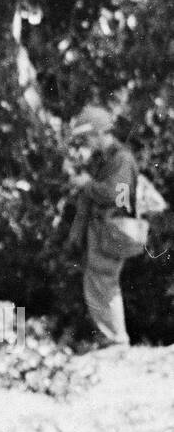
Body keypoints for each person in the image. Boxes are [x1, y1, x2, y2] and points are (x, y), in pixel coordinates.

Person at [65, 105, 140, 348]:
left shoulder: (122, 160)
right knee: (99, 284)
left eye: (87, 137)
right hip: (102, 233)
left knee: (103, 283)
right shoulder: (107, 159)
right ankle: (112, 338)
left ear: (99, 133)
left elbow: (120, 197)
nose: (86, 143)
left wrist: (87, 184)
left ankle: (116, 339)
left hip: (112, 232)